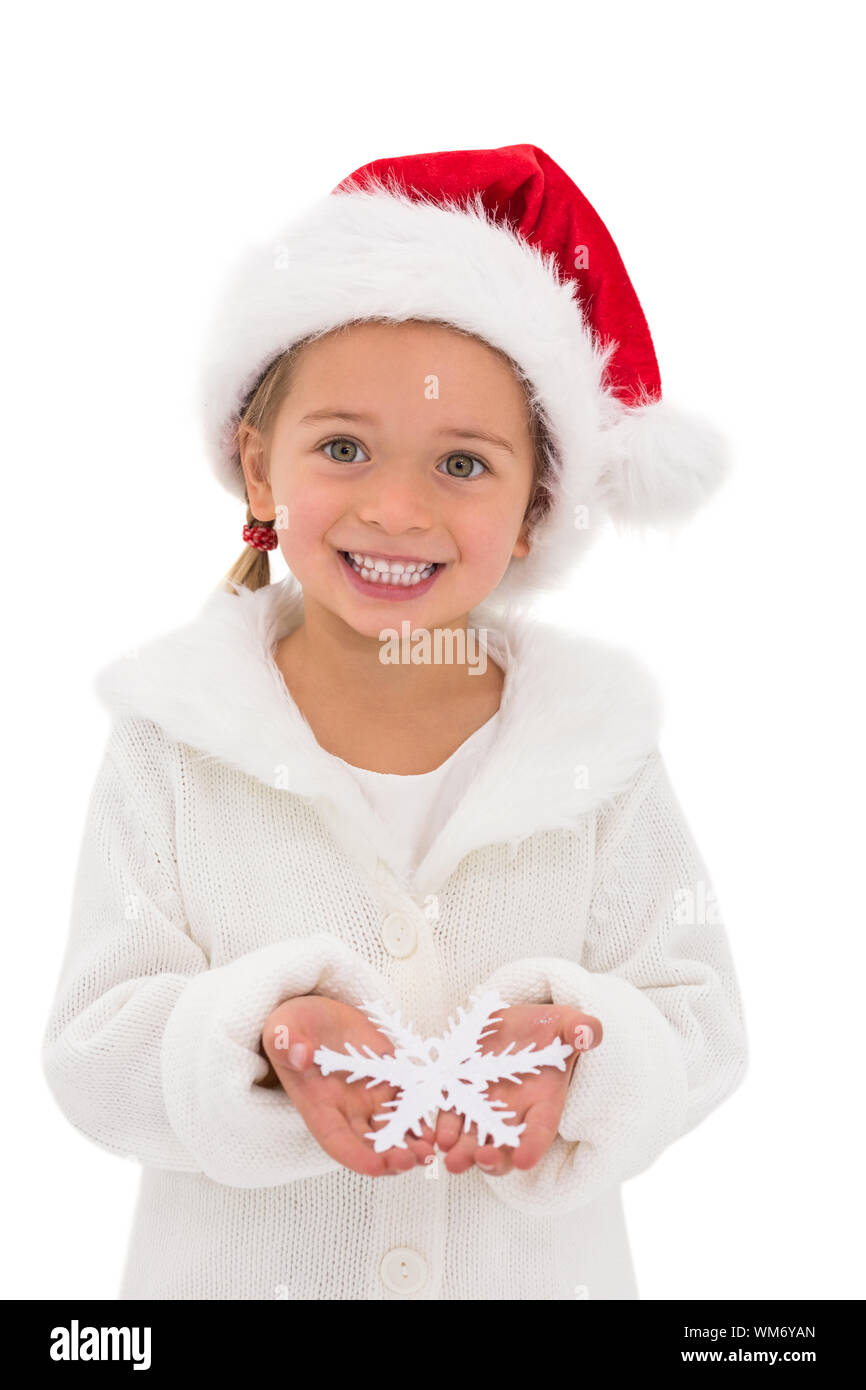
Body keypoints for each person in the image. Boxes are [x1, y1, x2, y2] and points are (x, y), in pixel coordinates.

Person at [41, 143, 749, 1301]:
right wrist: (261, 1036)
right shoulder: (173, 738)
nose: (395, 507)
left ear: (535, 509)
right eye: (342, 447)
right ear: (257, 470)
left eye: (462, 462)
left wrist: (584, 1063)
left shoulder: (597, 753)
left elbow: (698, 1016)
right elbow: (94, 1047)